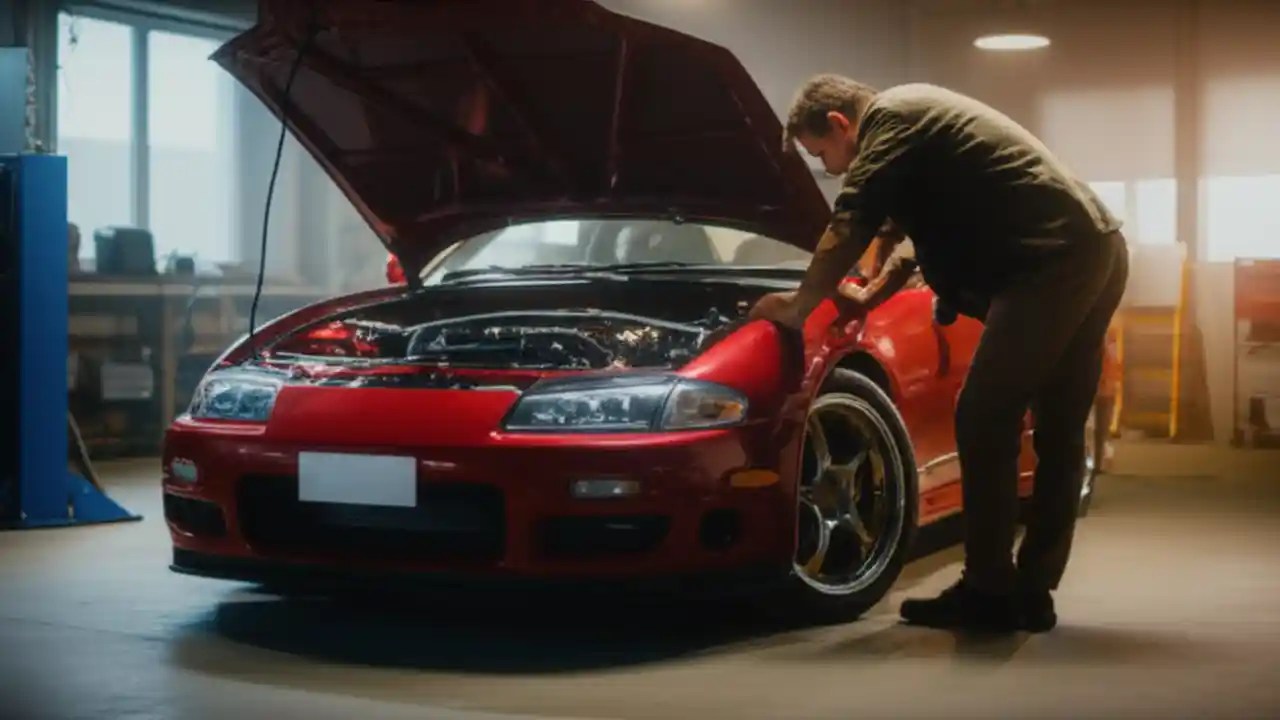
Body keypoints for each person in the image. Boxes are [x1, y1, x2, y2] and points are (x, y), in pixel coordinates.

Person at [750, 75, 1129, 633]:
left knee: (983, 417)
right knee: (1059, 430)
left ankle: (988, 591)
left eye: (823, 154)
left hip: (1050, 262)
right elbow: (911, 225)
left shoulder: (892, 117)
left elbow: (855, 214)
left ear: (839, 122)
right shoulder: (922, 120)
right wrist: (875, 292)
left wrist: (799, 305)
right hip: (1095, 249)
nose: (830, 170)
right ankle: (1031, 591)